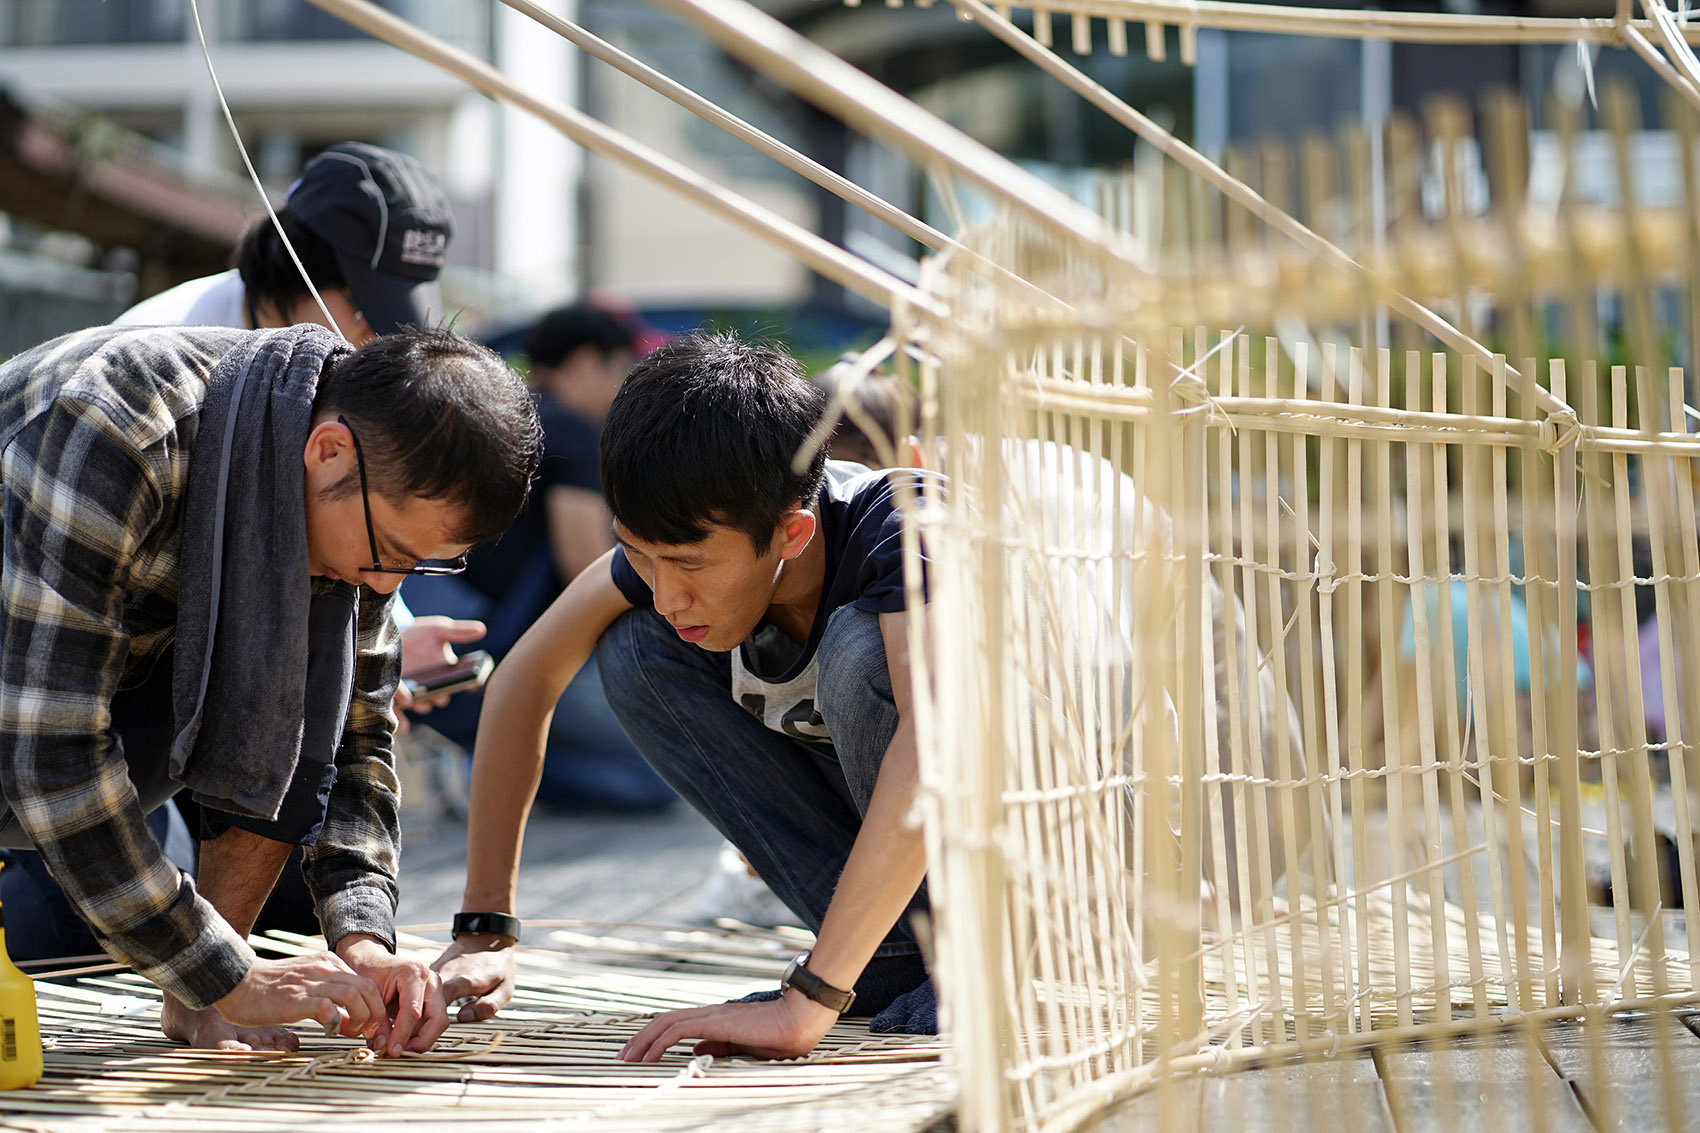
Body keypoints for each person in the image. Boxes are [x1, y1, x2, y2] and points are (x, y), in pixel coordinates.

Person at [0, 322, 542, 1055]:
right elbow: (51, 745)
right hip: (27, 699)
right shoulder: (120, 423)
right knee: (57, 925)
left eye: (421, 568)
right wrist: (225, 970)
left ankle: (202, 1002)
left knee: (312, 652)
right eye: (394, 555)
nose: (387, 585)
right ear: (328, 452)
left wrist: (364, 940)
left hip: (86, 702)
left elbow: (355, 731)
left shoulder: (363, 497)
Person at [433, 331, 935, 1057]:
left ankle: (954, 958)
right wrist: (485, 927)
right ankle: (882, 960)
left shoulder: (910, 531)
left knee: (863, 648)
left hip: (1033, 875)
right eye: (640, 553)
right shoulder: (686, 550)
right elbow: (524, 677)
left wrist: (807, 1005)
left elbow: (937, 750)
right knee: (635, 645)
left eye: (690, 564)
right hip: (891, 901)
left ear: (792, 532)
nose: (667, 592)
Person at [406, 303, 673, 811]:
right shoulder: (570, 429)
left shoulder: (501, 413)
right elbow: (587, 565)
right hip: (488, 644)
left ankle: (488, 760)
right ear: (586, 362)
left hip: (427, 625)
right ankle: (489, 769)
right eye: (622, 368)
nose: (625, 385)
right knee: (660, 777)